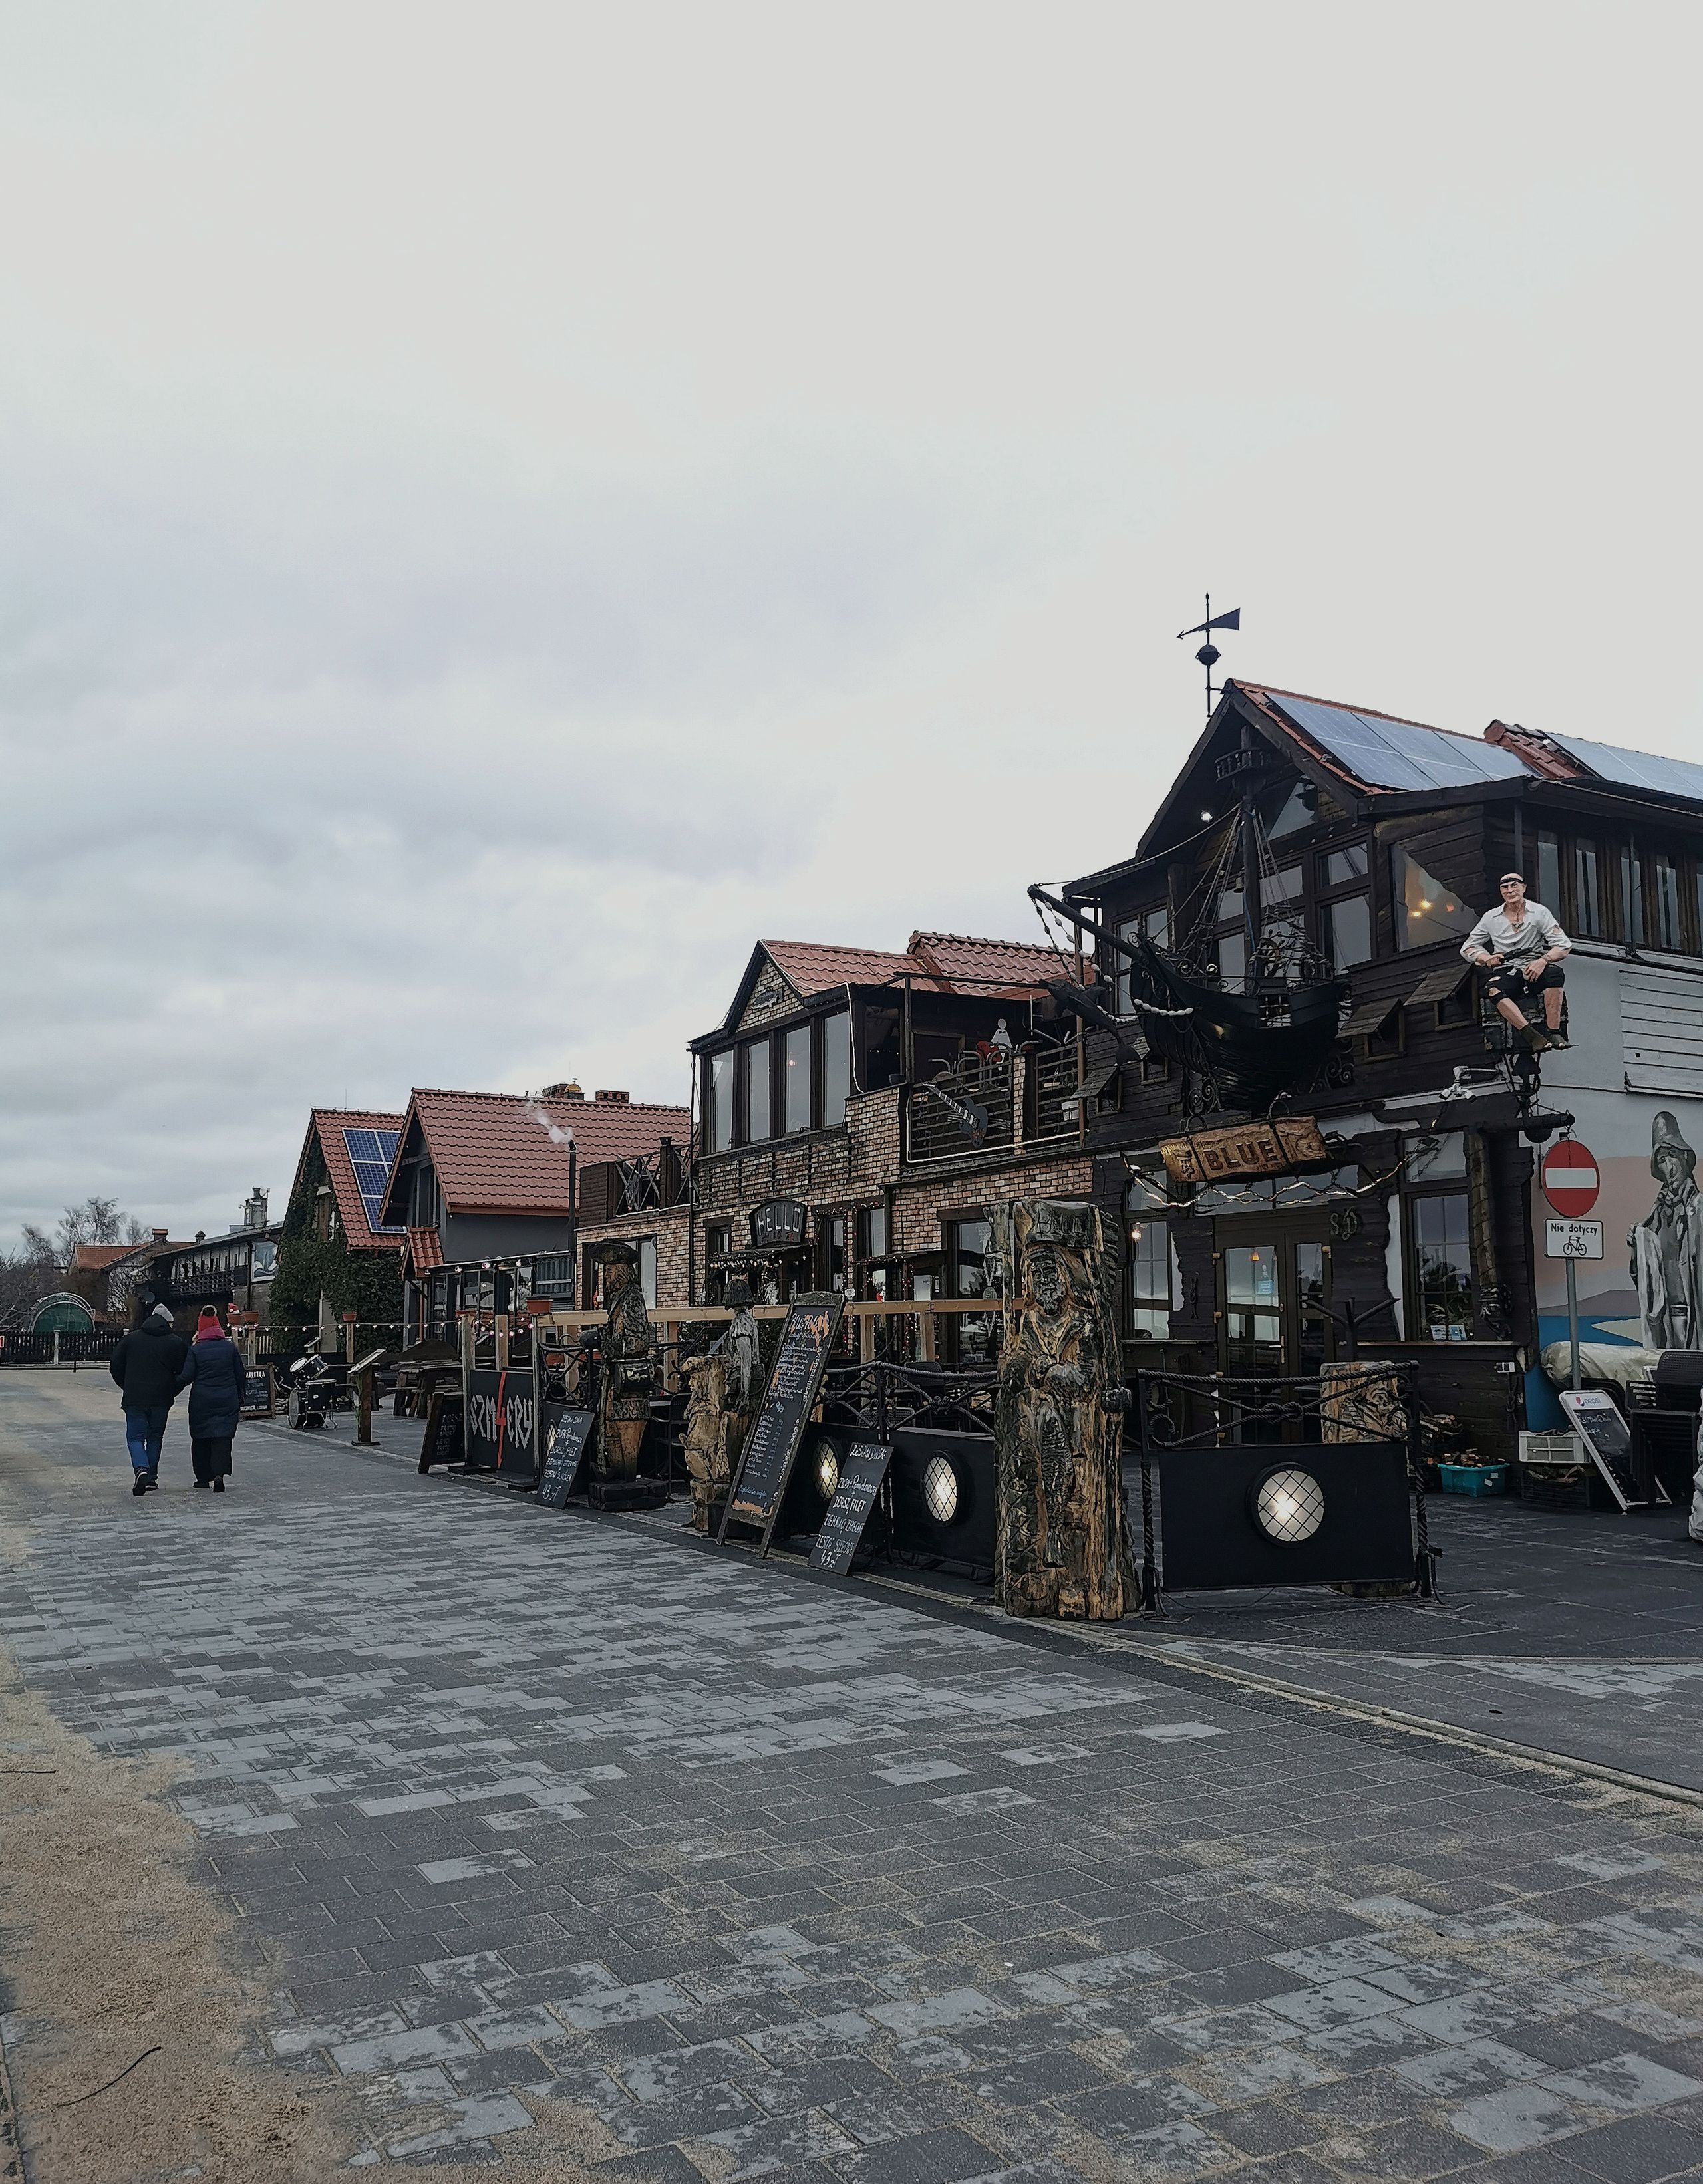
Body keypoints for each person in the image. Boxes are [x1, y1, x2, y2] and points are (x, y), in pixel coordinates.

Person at [1461, 871, 1571, 1050]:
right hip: (1507, 968)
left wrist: (1543, 960)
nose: (1510, 890)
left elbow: (1563, 945)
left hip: (1533, 965)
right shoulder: (1491, 917)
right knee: (1493, 988)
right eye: (1505, 887)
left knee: (1555, 975)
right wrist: (1486, 958)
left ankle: (1554, 1031)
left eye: (1514, 885)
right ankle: (1531, 1035)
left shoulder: (1539, 913)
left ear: (1523, 888)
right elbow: (1468, 947)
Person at [1630, 1110, 1703, 1351]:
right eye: (1661, 1160)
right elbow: (1643, 1276)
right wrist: (1638, 1244)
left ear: (1684, 1157)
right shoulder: (1656, 1216)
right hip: (1667, 1319)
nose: (1668, 1166)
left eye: (1672, 1156)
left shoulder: (1699, 1209)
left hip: (1696, 1315)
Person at [108, 1303, 190, 1496]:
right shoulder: (176, 1343)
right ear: (168, 1323)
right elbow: (184, 1372)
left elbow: (115, 1367)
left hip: (135, 1399)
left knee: (135, 1437)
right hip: (161, 1400)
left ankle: (141, 1469)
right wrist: (172, 1390)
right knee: (155, 1438)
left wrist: (127, 1386)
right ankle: (151, 1478)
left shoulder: (130, 1340)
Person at [176, 1305, 247, 1491]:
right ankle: (219, 1475)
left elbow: (186, 1377)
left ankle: (202, 1478)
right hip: (227, 1399)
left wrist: (169, 1384)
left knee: (201, 1438)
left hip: (202, 1401)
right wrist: (242, 1395)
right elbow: (241, 1375)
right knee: (223, 1438)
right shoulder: (230, 1348)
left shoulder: (196, 1350)